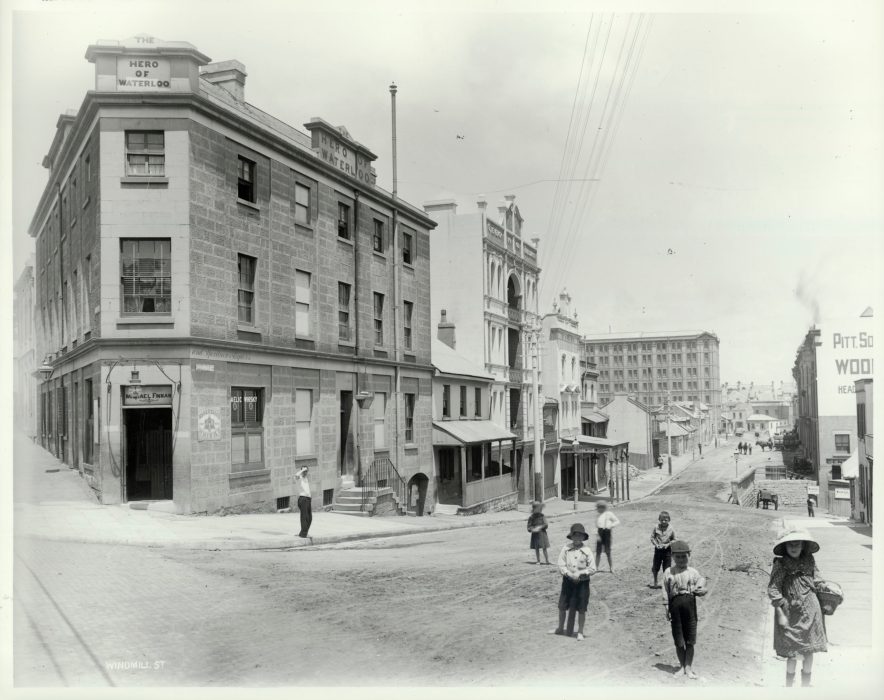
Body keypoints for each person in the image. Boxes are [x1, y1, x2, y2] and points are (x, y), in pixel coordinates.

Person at [767, 528, 827, 687]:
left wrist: (824, 586)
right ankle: (789, 687)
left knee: (809, 650)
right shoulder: (781, 564)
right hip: (790, 613)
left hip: (812, 609)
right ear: (785, 547)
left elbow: (817, 578)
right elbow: (773, 588)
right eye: (790, 545)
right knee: (792, 653)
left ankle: (805, 686)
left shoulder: (809, 560)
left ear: (803, 546)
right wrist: (779, 612)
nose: (794, 548)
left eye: (797, 544)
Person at [662, 540, 708, 679]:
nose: (681, 560)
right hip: (675, 606)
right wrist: (666, 607)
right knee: (679, 639)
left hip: (690, 607)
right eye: (678, 557)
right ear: (673, 557)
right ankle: (681, 666)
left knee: (690, 639)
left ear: (689, 556)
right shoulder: (669, 572)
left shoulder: (693, 572)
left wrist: (700, 587)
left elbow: (701, 581)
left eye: (684, 556)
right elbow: (665, 590)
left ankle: (688, 667)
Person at [548, 523, 597, 641]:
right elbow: (561, 564)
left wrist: (580, 573)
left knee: (581, 608)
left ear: (583, 537)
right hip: (568, 581)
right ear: (571, 536)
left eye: (580, 536)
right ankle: (560, 628)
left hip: (582, 583)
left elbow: (592, 568)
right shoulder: (566, 549)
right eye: (575, 535)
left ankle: (580, 631)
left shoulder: (587, 551)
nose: (578, 538)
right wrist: (569, 574)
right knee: (562, 606)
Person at [650, 511, 676, 588]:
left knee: (667, 568)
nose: (664, 521)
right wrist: (656, 544)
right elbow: (652, 537)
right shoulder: (656, 527)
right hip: (658, 550)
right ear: (659, 519)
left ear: (669, 520)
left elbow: (674, 539)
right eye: (662, 520)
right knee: (655, 566)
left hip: (667, 550)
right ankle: (655, 581)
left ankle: (666, 583)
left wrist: (667, 544)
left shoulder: (671, 528)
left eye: (666, 520)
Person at [595, 500, 620, 573]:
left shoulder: (609, 514)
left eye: (600, 508)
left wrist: (611, 526)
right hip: (600, 533)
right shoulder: (598, 516)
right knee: (598, 552)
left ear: (604, 508)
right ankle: (596, 568)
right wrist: (597, 535)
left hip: (607, 533)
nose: (599, 509)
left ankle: (611, 567)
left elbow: (617, 521)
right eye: (598, 508)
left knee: (608, 551)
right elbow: (596, 526)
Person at [527, 500, 551, 565]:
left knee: (544, 548)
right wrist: (533, 529)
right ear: (534, 509)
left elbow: (546, 524)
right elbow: (529, 527)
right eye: (537, 509)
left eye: (540, 509)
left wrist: (540, 527)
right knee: (536, 548)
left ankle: (547, 560)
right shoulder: (531, 517)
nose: (539, 510)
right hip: (535, 535)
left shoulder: (542, 516)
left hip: (542, 534)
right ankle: (538, 560)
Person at [295, 466, 312, 538]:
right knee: (304, 517)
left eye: (306, 471)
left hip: (308, 499)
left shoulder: (306, 479)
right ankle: (303, 534)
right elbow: (296, 475)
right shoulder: (299, 479)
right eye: (304, 471)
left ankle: (303, 532)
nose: (305, 472)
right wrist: (302, 470)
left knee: (309, 518)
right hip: (303, 499)